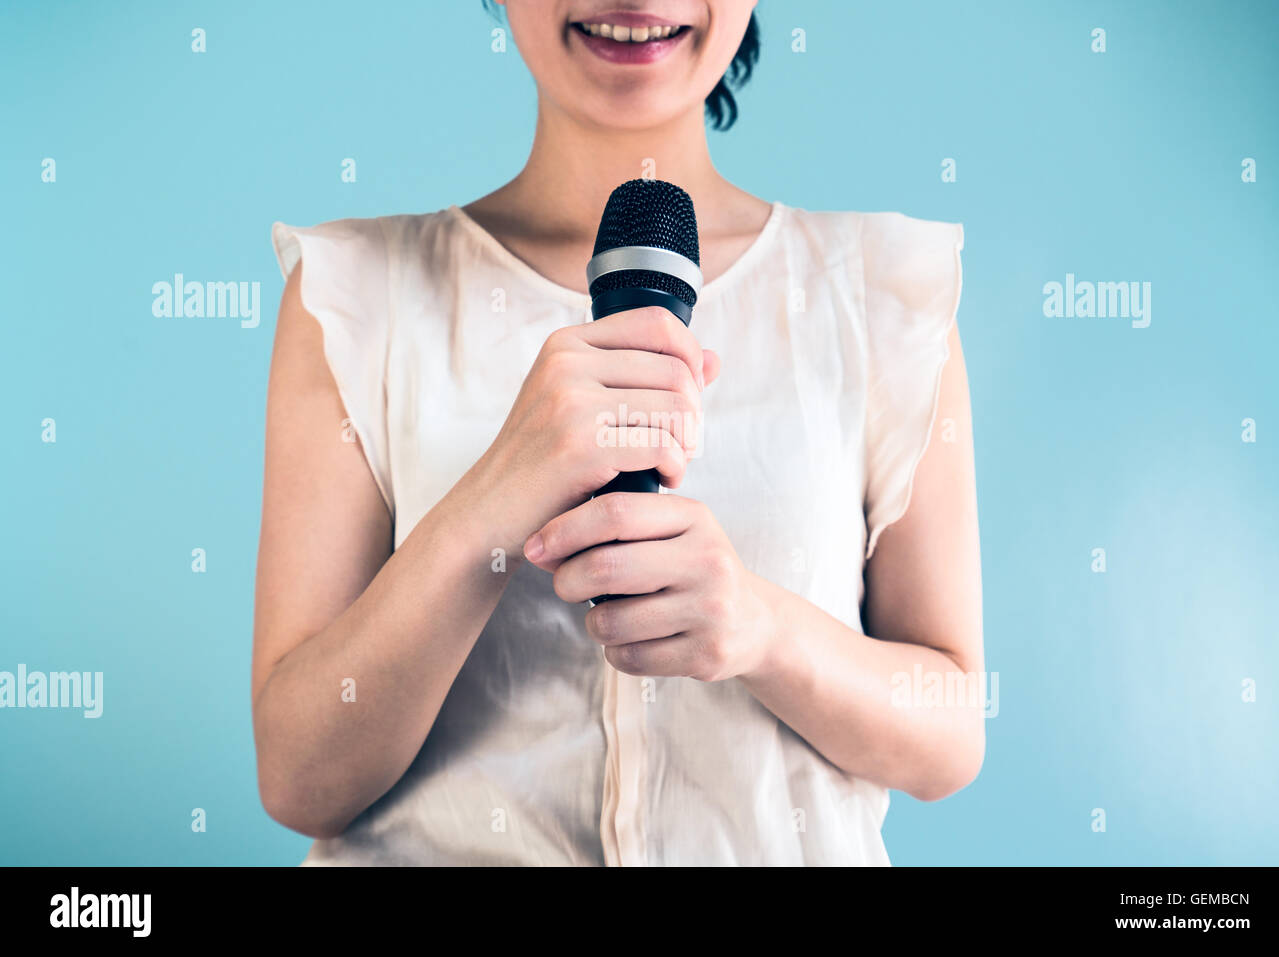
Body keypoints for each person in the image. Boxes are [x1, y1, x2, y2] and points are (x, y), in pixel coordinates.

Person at [252, 0, 984, 866]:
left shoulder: (874, 293)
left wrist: (763, 629)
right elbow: (299, 775)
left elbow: (949, 733)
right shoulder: (357, 296)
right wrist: (490, 504)